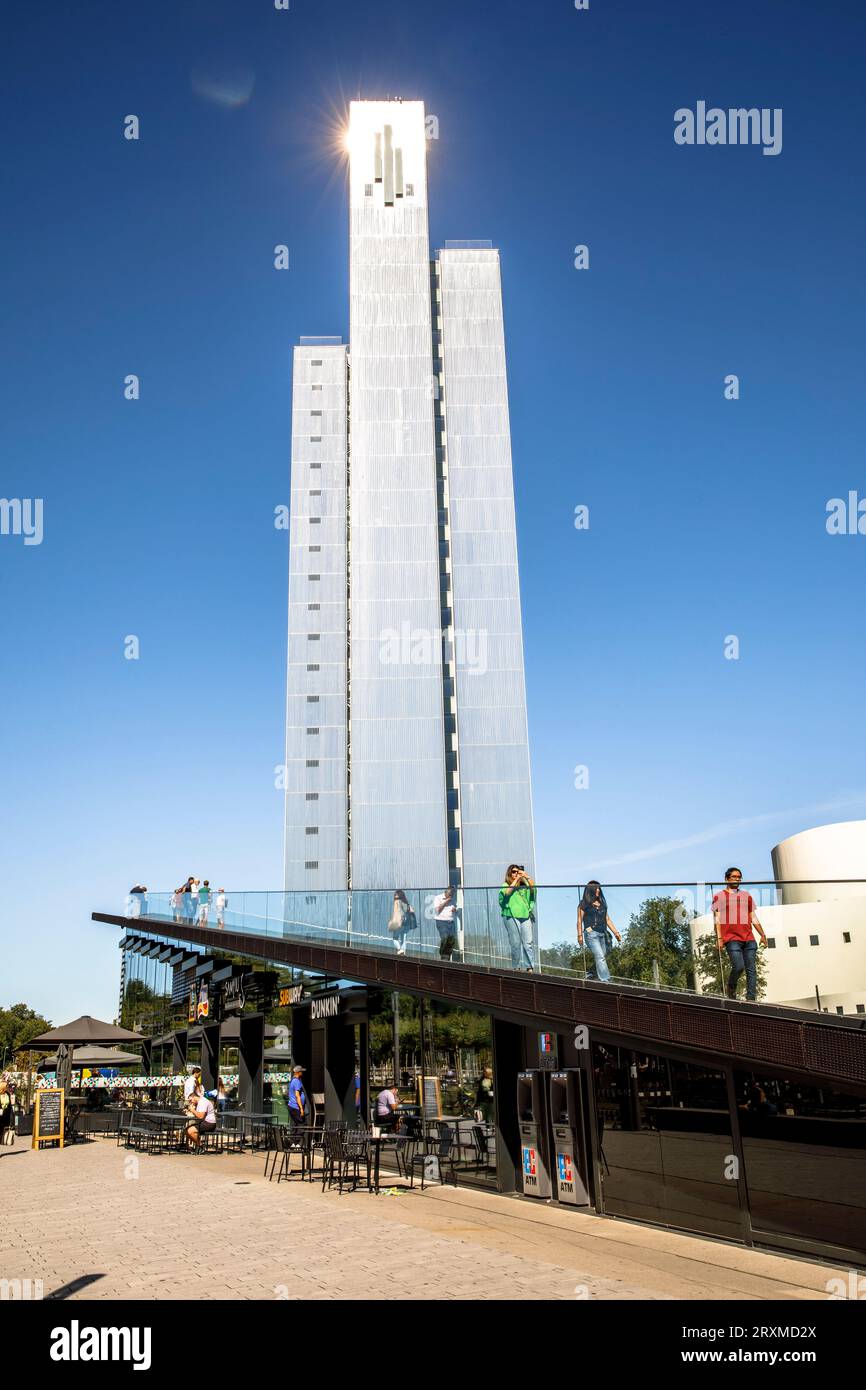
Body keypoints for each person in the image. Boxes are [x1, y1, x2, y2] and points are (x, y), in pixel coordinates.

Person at [713, 867, 767, 1002]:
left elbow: (753, 916)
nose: (737, 879)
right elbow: (717, 919)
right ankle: (731, 987)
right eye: (734, 877)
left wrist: (762, 934)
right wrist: (719, 938)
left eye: (739, 877)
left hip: (749, 938)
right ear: (726, 878)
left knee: (751, 970)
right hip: (732, 939)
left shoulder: (746, 896)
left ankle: (751, 999)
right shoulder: (719, 896)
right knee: (738, 967)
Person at [576, 881, 621, 983]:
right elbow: (579, 920)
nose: (598, 890)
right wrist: (579, 935)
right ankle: (605, 980)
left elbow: (607, 919)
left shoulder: (602, 904)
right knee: (600, 956)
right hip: (591, 934)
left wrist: (616, 933)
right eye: (596, 888)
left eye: (599, 888)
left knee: (602, 956)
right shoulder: (583, 904)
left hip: (602, 933)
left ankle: (591, 973)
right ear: (590, 890)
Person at [499, 865, 537, 972]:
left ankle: (529, 967)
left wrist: (526, 877)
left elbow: (533, 890)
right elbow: (507, 893)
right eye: (514, 872)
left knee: (528, 942)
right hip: (511, 915)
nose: (516, 874)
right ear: (509, 873)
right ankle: (516, 966)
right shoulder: (506, 885)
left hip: (525, 915)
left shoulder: (524, 885)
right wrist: (516, 880)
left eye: (518, 872)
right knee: (515, 942)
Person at [433, 887, 458, 961]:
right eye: (450, 894)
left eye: (452, 895)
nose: (451, 896)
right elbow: (437, 910)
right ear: (445, 892)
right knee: (445, 937)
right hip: (441, 921)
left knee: (451, 940)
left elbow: (456, 913)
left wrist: (455, 910)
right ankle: (442, 954)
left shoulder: (453, 899)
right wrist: (446, 901)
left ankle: (447, 957)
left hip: (451, 922)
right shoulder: (438, 898)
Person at [387, 890, 415, 956]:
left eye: (395, 894)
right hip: (407, 923)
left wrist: (393, 919)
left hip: (400, 922)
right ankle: (403, 953)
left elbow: (395, 912)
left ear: (398, 895)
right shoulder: (406, 902)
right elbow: (412, 911)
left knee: (395, 937)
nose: (394, 895)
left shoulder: (397, 902)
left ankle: (400, 949)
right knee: (403, 938)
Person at [0, 1080, 14, 1147]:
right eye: (6, 1086)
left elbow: (10, 1107)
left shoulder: (7, 1094)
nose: (7, 1087)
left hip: (5, 1117)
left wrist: (11, 1120)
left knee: (1, 1134)